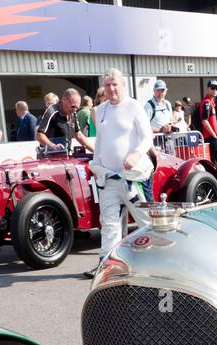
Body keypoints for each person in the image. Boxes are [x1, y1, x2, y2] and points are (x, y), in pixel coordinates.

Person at [79, 68, 153, 280]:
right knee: (109, 223)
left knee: (145, 221)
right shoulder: (100, 109)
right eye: (108, 85)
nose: (111, 89)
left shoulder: (133, 106)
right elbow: (101, 141)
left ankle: (152, 263)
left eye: (115, 84)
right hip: (108, 177)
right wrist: (97, 164)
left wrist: (136, 154)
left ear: (123, 85)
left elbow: (147, 137)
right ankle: (106, 266)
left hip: (133, 177)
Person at [196, 80, 217, 180]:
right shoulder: (206, 103)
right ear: (208, 88)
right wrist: (214, 135)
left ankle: (216, 187)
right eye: (212, 88)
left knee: (214, 164)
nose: (215, 90)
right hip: (210, 137)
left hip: (212, 137)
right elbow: (204, 120)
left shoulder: (211, 102)